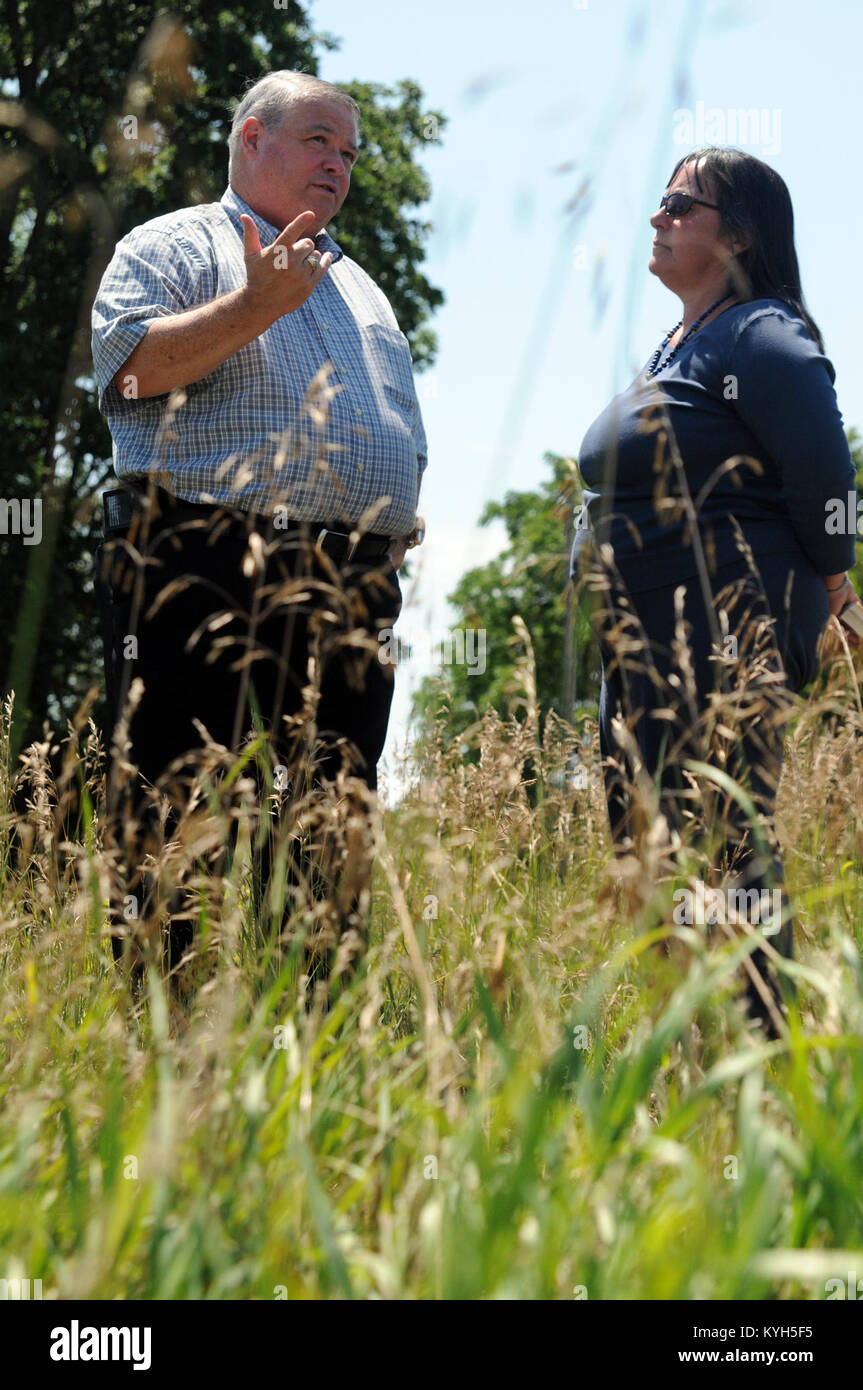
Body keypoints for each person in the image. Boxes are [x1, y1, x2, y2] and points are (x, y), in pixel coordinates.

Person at [91, 71, 427, 999]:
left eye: (351, 154)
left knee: (328, 828)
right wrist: (253, 307)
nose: (340, 165)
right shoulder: (171, 244)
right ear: (251, 139)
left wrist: (397, 513)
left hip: (351, 583)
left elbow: (392, 410)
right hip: (200, 563)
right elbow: (123, 377)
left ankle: (310, 1058)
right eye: (320, 140)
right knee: (178, 814)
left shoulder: (358, 283)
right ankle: (167, 1055)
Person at [570, 146, 859, 1033]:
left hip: (720, 632)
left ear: (736, 237)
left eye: (676, 205)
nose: (655, 219)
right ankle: (701, 1061)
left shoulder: (760, 332)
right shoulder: (689, 340)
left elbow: (824, 477)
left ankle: (761, 1066)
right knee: (657, 853)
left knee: (720, 849)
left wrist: (840, 598)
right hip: (649, 637)